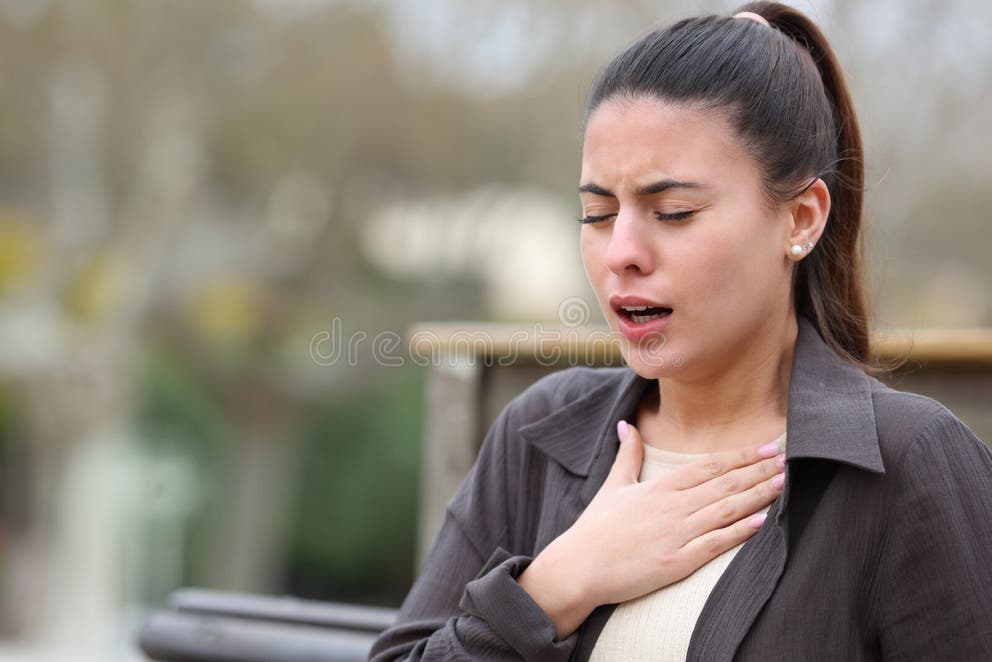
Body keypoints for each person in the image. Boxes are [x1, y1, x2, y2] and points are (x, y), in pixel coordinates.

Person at [368, 2, 992, 660]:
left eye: (673, 212)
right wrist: (554, 587)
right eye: (598, 214)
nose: (622, 254)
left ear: (802, 219)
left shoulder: (907, 467)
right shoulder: (541, 437)